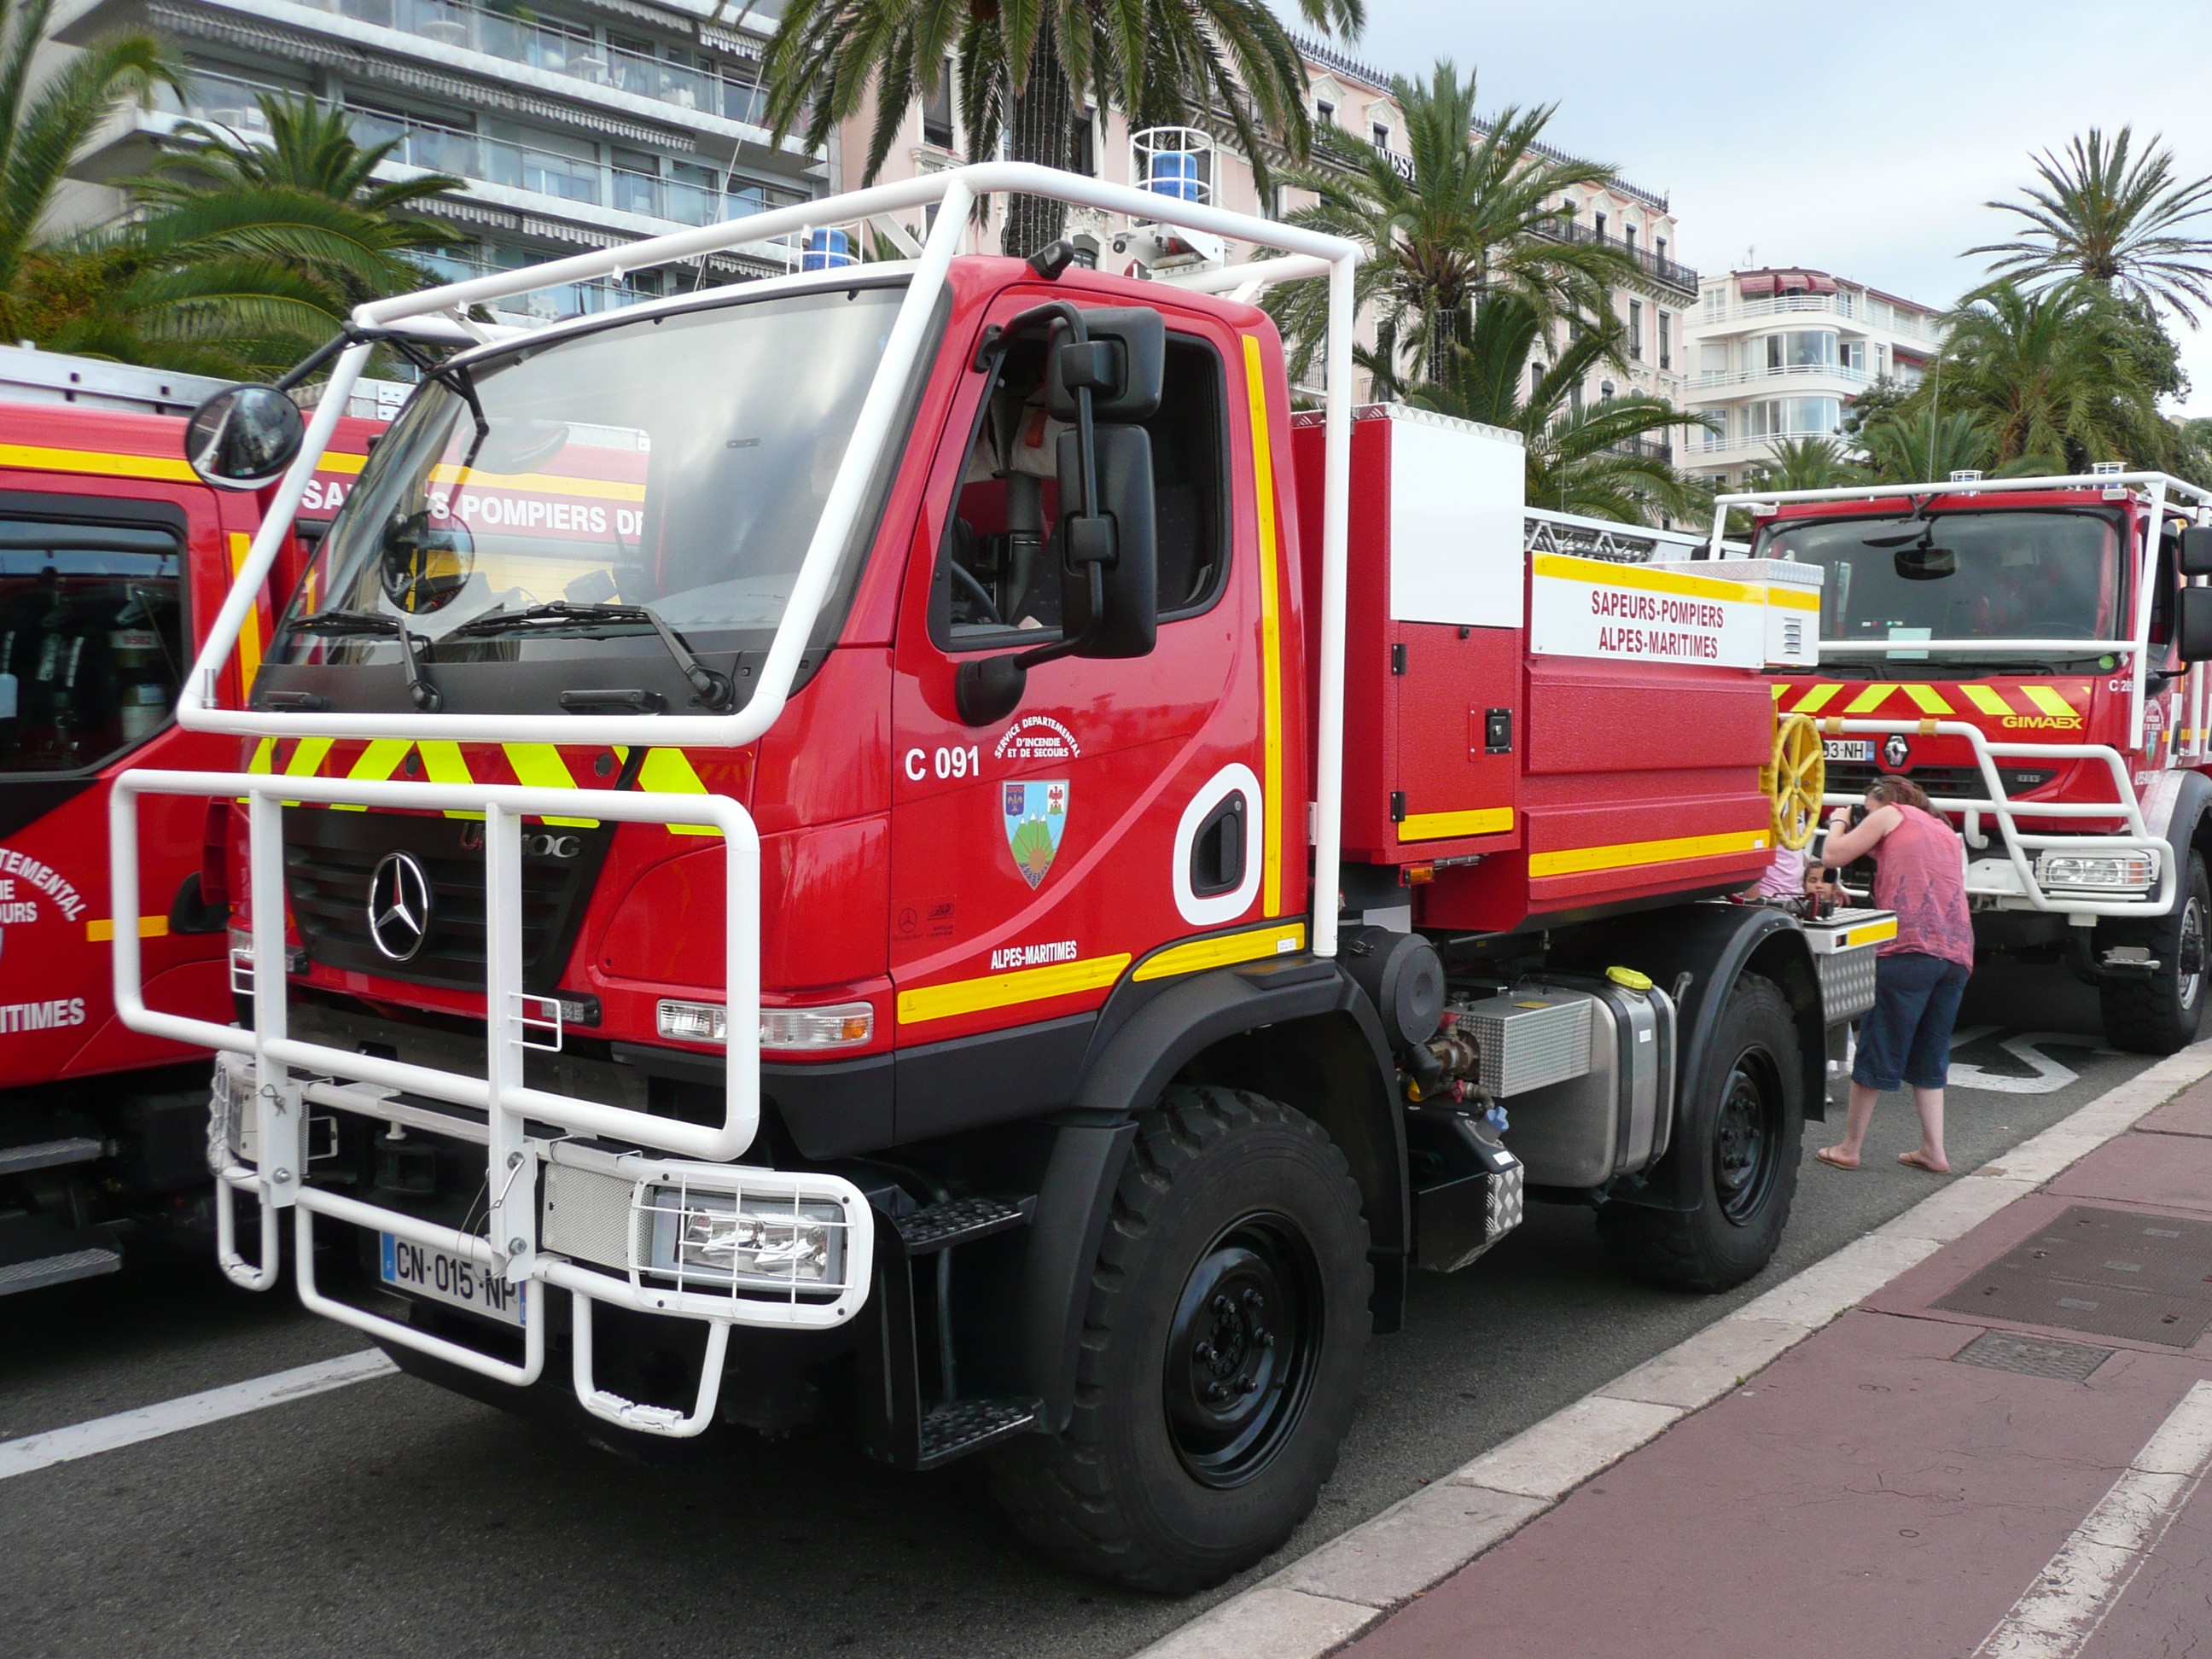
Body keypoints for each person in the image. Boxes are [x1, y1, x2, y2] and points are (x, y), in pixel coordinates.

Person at [1810, 776, 1973, 1174]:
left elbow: (1833, 856)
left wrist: (1839, 820)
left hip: (1909, 947)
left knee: (1878, 1042)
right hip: (1956, 952)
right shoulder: (1944, 830)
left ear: (1883, 800)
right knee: (1931, 1051)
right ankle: (1934, 1151)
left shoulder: (1890, 814)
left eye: (1867, 808)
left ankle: (1850, 1147)